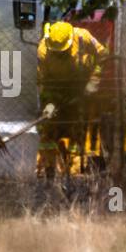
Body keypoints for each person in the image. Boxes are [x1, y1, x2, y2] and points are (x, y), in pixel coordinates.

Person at [36, 20, 107, 177]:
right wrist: (48, 104)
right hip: (57, 92)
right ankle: (46, 173)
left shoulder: (83, 37)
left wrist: (94, 81)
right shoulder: (43, 50)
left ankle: (75, 174)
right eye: (56, 52)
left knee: (78, 130)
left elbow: (104, 55)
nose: (58, 54)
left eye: (61, 51)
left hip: (83, 90)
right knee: (48, 131)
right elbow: (43, 82)